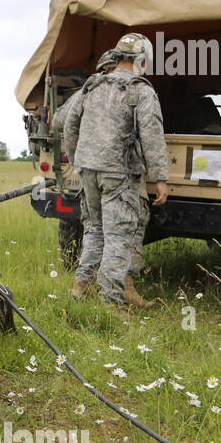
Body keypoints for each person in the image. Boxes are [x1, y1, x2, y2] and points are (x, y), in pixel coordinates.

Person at [62, 33, 170, 310]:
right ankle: (112, 304)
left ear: (117, 56)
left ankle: (81, 286)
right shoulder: (141, 90)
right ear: (142, 61)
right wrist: (159, 178)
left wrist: (78, 159)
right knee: (119, 236)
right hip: (118, 174)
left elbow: (69, 124)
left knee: (95, 229)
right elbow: (152, 136)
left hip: (89, 169)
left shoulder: (91, 85)